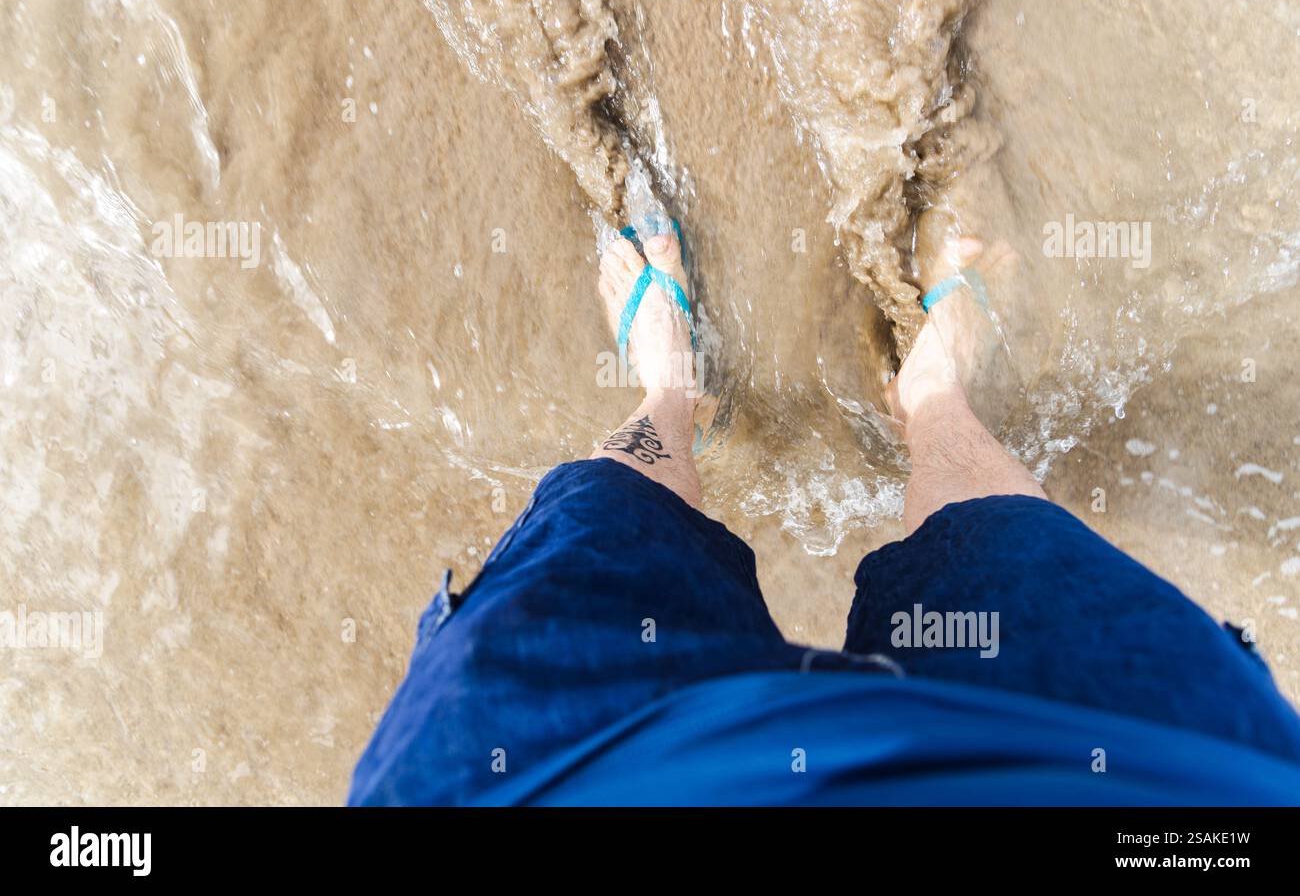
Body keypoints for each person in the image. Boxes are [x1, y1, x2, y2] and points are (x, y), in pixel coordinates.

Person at [349, 228, 1300, 805]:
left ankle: (672, 390)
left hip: (570, 774)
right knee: (1010, 560)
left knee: (606, 528)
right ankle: (931, 397)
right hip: (1147, 785)